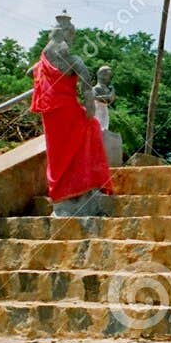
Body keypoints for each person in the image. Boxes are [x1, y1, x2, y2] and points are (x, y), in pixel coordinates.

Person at [30, 13, 112, 214]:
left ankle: (62, 190)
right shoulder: (75, 61)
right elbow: (86, 89)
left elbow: (29, 73)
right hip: (68, 110)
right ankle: (84, 186)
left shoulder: (41, 64)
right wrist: (90, 112)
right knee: (90, 130)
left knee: (57, 152)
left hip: (50, 112)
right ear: (68, 35)